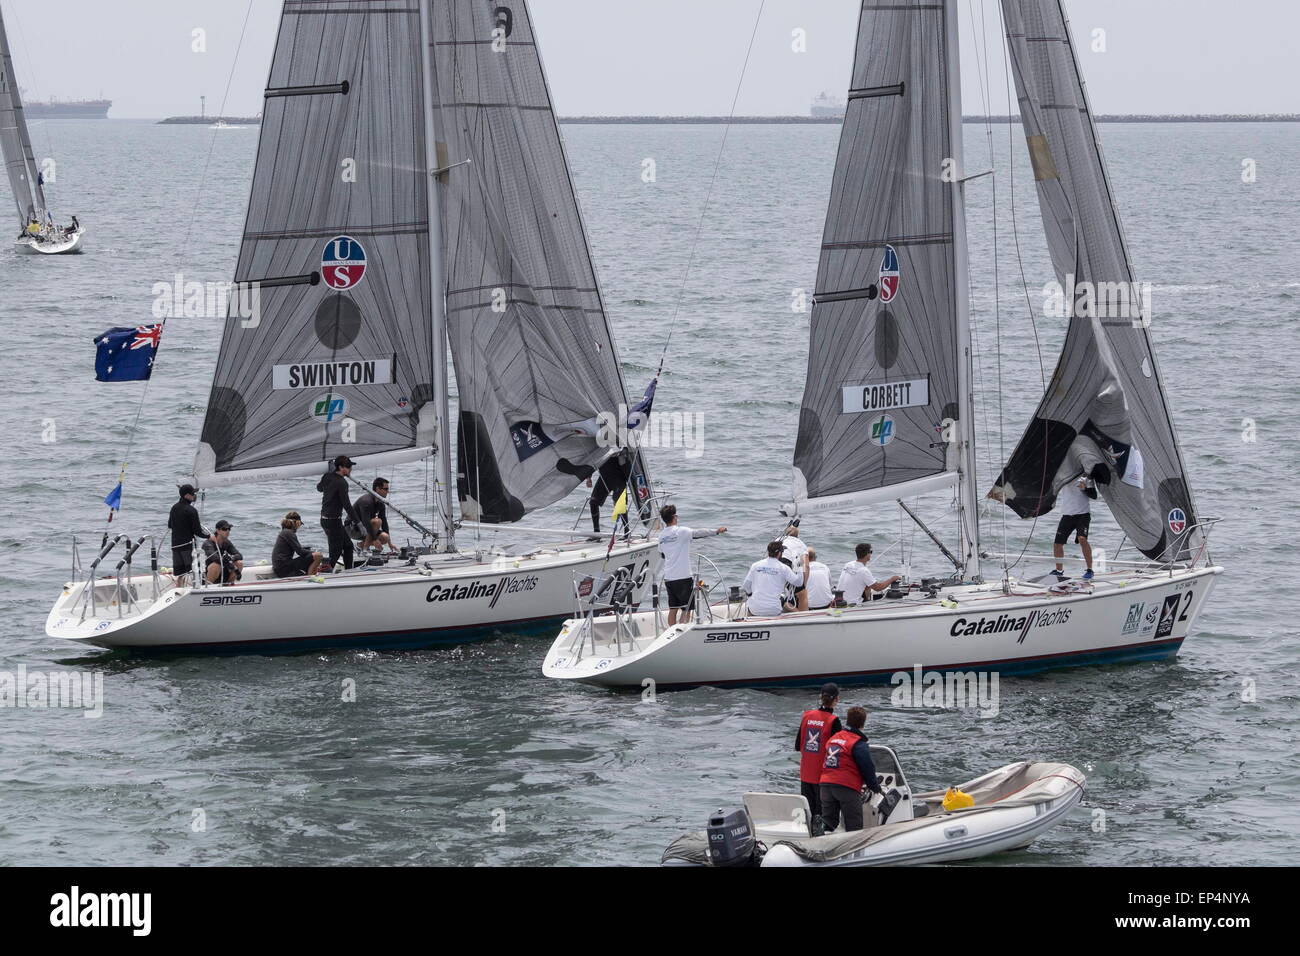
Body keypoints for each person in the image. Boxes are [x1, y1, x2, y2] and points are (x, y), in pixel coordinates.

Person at [657, 504, 727, 626]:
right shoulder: (681, 531)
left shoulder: (661, 535)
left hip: (669, 577)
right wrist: (716, 531)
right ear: (675, 517)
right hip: (683, 576)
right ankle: (680, 632)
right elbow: (699, 533)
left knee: (673, 608)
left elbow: (661, 554)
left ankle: (671, 631)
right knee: (687, 608)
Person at [819, 705, 883, 833]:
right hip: (846, 788)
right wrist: (875, 787)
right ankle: (855, 851)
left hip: (825, 786)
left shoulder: (834, 738)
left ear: (847, 720)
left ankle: (822, 841)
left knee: (829, 822)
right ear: (862, 724)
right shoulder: (858, 743)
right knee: (854, 826)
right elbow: (868, 768)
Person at [795, 683, 842, 829]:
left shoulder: (807, 716)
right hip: (822, 776)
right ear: (837, 700)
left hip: (805, 774)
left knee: (808, 813)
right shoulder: (834, 721)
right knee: (820, 817)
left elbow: (798, 745)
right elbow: (837, 752)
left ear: (820, 697)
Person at [743, 540, 808, 617]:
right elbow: (799, 583)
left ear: (768, 551)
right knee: (783, 597)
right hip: (773, 610)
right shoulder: (784, 568)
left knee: (752, 606)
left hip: (755, 609)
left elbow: (746, 586)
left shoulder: (755, 565)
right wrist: (799, 566)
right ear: (780, 553)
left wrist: (750, 594)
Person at [317, 455, 361, 570]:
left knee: (348, 546)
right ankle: (324, 574)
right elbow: (347, 505)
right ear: (341, 467)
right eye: (348, 467)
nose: (350, 469)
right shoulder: (342, 483)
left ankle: (349, 571)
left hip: (325, 520)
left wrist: (330, 474)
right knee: (335, 552)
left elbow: (319, 488)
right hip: (333, 522)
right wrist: (358, 523)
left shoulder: (327, 476)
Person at [1052, 475, 1096, 580]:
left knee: (1082, 539)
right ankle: (1059, 571)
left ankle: (1090, 569)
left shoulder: (1086, 478)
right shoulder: (1064, 476)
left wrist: (1085, 488)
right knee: (1057, 544)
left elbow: (1094, 495)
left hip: (1083, 514)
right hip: (1067, 515)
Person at [167, 483, 211, 583]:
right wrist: (209, 536)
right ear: (187, 496)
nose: (194, 496)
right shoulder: (191, 510)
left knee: (180, 573)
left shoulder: (174, 508)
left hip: (175, 546)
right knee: (194, 571)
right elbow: (198, 531)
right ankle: (196, 590)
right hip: (188, 546)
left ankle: (179, 590)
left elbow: (170, 525)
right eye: (192, 494)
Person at [587, 449, 631, 533]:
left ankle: (627, 531)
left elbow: (626, 460)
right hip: (604, 478)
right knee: (593, 502)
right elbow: (592, 459)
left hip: (618, 478)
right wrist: (589, 477)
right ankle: (596, 532)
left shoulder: (617, 443)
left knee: (619, 503)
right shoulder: (598, 445)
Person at [272, 512, 322, 578]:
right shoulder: (289, 533)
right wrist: (313, 552)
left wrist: (308, 551)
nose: (299, 527)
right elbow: (300, 552)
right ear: (296, 523)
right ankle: (311, 578)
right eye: (300, 524)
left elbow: (298, 549)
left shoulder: (285, 532)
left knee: (312, 555)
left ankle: (309, 574)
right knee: (318, 555)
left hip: (280, 567)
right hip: (284, 568)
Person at [355, 477, 393, 553]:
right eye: (385, 489)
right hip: (354, 528)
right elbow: (366, 522)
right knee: (377, 522)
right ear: (377, 489)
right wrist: (375, 539)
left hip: (366, 528)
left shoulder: (381, 504)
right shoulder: (366, 501)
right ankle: (365, 550)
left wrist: (390, 543)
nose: (387, 492)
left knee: (385, 537)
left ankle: (360, 545)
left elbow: (384, 523)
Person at [202, 520, 244, 585]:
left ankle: (228, 585)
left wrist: (231, 558)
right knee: (216, 565)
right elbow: (216, 558)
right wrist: (230, 565)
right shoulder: (208, 543)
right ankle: (208, 587)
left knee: (239, 563)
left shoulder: (226, 542)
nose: (227, 531)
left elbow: (239, 555)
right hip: (208, 574)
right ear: (218, 531)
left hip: (223, 571)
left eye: (229, 529)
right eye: (224, 529)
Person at [780, 525, 810, 610]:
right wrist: (804, 585)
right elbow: (806, 566)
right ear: (797, 535)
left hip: (776, 565)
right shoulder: (800, 544)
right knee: (802, 594)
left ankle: (786, 604)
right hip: (787, 564)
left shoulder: (779, 539)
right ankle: (803, 617)